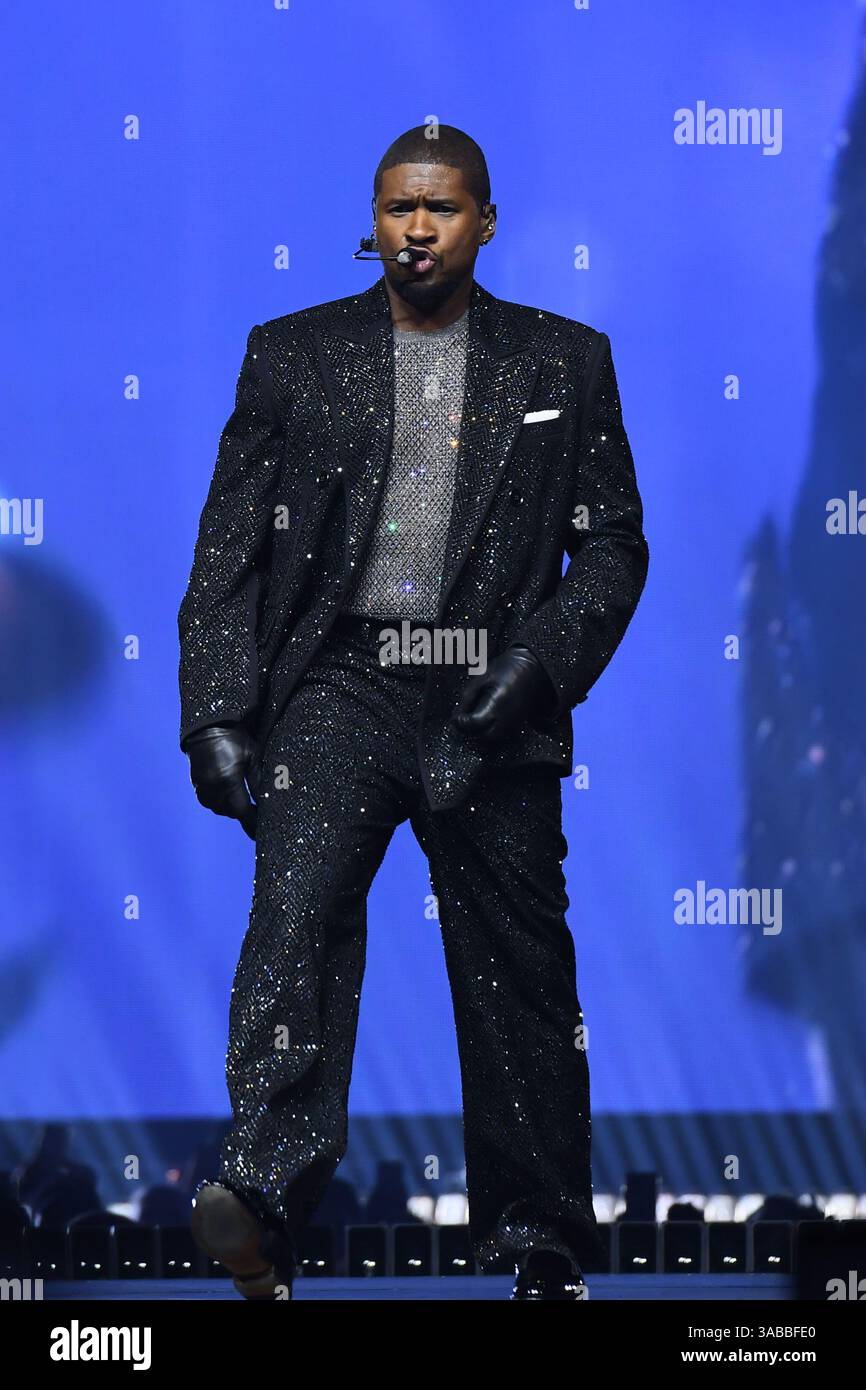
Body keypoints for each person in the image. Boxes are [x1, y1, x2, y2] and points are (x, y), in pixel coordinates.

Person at [178, 124, 649, 1300]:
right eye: (399, 208)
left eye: (441, 208)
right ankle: (259, 1194)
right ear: (374, 220)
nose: (419, 228)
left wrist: (535, 665)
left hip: (489, 689)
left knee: (517, 971)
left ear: (484, 221)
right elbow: (228, 550)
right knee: (293, 919)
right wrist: (215, 711)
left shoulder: (562, 361)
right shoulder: (292, 355)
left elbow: (612, 547)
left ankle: (537, 1237)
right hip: (340, 679)